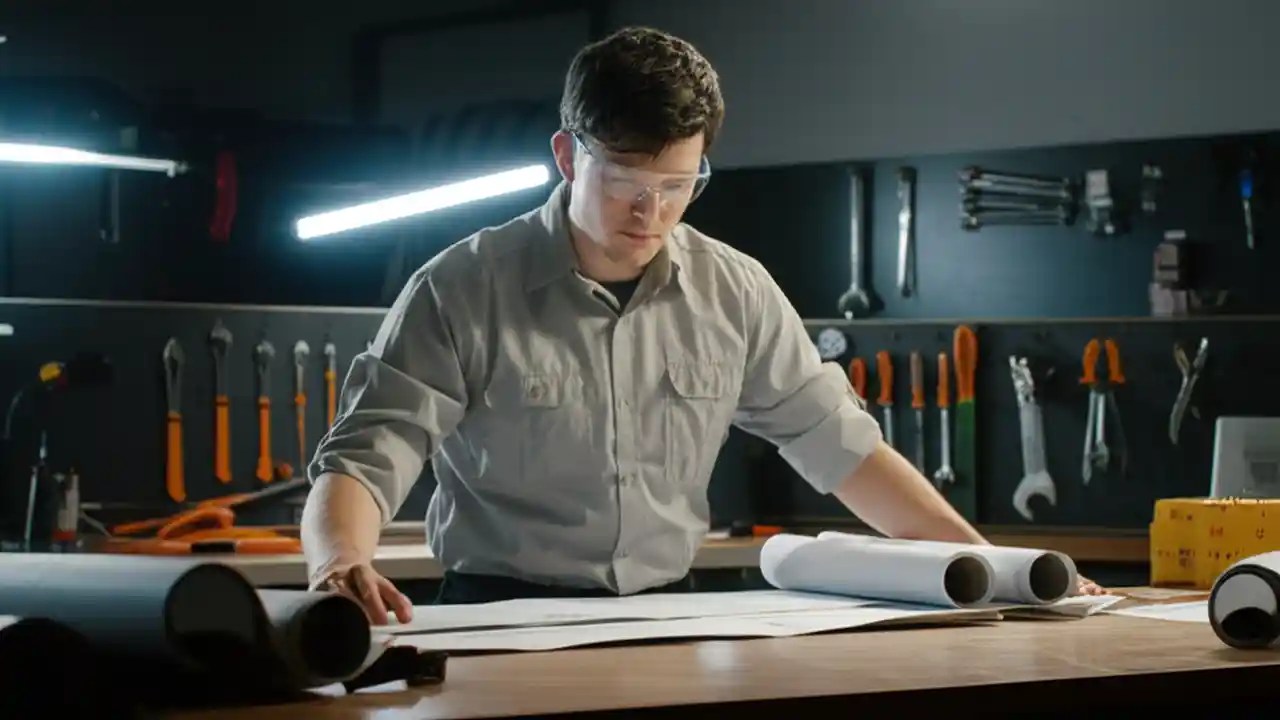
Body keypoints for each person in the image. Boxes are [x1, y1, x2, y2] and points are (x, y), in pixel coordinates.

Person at [301, 26, 1103, 623]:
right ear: (568, 157)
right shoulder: (460, 288)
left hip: (668, 616)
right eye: (626, 183)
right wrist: (339, 563)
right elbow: (368, 456)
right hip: (499, 614)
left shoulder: (735, 291)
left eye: (679, 185)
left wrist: (1000, 569)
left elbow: (847, 453)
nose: (651, 212)